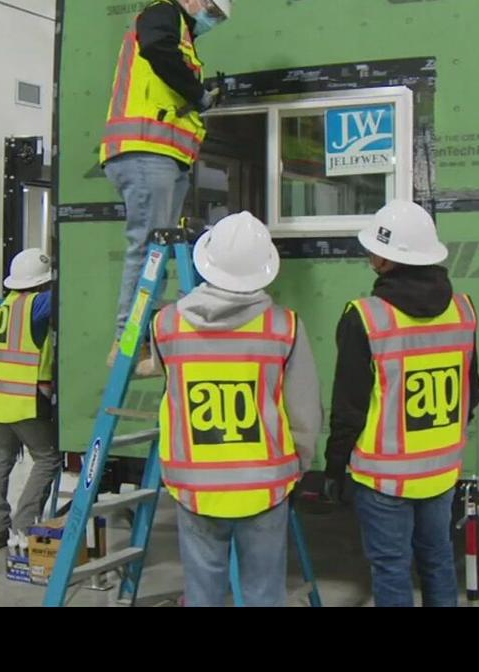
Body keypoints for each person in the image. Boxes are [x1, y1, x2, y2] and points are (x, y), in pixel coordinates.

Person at [148, 211, 322, 607]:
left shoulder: (166, 325)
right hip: (265, 484)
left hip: (194, 486)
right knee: (264, 593)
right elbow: (305, 411)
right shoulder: (285, 327)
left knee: (202, 593)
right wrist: (300, 464)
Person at [323, 200, 479, 607]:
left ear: (384, 259)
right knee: (437, 560)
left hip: (383, 478)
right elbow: (472, 392)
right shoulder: (463, 310)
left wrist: (335, 467)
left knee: (392, 568)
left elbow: (349, 409)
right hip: (442, 470)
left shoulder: (366, 317)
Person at [102, 0, 232, 373]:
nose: (213, 20)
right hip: (145, 149)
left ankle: (143, 337)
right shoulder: (164, 13)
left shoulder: (183, 37)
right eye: (213, 10)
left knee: (155, 250)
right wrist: (199, 95)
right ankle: (129, 342)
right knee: (146, 247)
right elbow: (158, 50)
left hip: (164, 154)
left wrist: (198, 99)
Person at [0, 249, 59, 549]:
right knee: (47, 459)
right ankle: (25, 526)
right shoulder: (38, 304)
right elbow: (65, 296)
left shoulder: (5, 306)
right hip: (23, 397)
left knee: (0, 458)